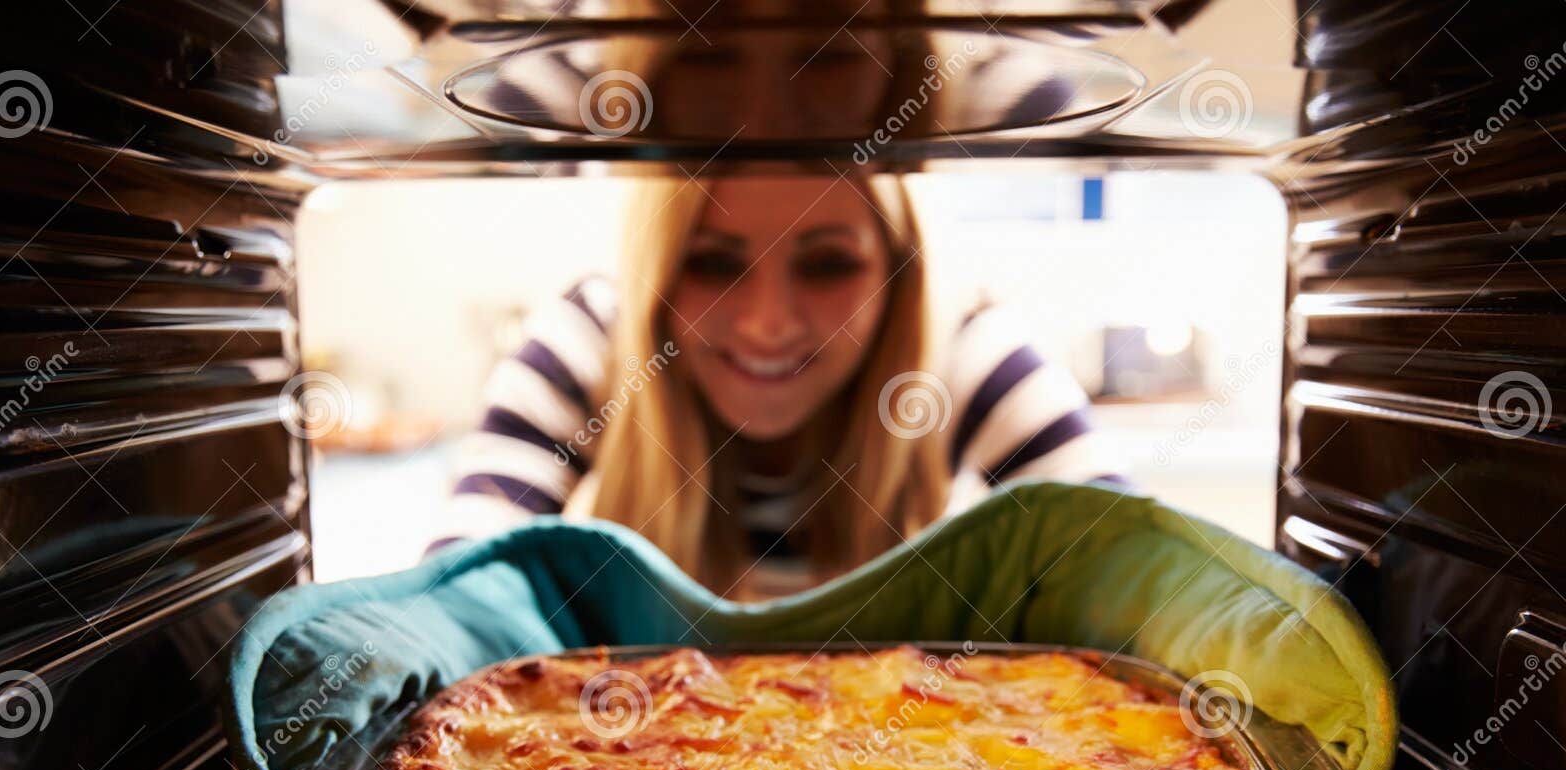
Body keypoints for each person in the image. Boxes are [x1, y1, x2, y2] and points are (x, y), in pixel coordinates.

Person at [433, 171, 1123, 599]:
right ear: (657, 275)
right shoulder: (595, 339)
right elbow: (462, 580)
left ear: (896, 275)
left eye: (826, 264)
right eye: (712, 262)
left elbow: (1132, 568)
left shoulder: (963, 351)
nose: (768, 324)